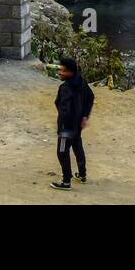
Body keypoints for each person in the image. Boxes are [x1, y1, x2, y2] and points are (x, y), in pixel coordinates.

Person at [50, 56, 94, 190]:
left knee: (62, 152)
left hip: (67, 127)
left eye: (63, 71)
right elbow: (91, 97)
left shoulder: (65, 88)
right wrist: (85, 116)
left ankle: (66, 181)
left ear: (70, 73)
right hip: (77, 124)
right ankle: (82, 174)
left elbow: (65, 109)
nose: (60, 73)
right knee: (77, 147)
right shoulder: (81, 81)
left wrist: (62, 127)